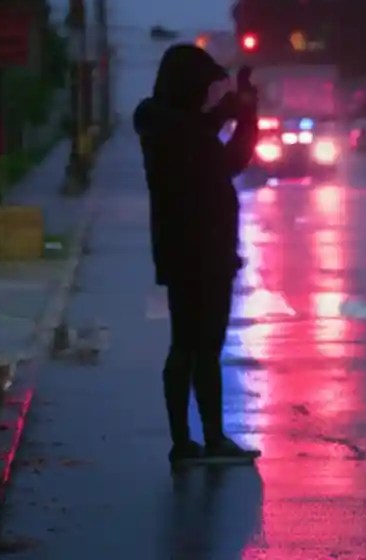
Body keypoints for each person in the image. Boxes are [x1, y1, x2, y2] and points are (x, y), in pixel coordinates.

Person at [133, 43, 262, 466]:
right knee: (202, 347)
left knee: (187, 345)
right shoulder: (178, 131)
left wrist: (232, 111)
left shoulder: (162, 124)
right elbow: (229, 159)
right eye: (203, 87)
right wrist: (244, 115)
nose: (208, 95)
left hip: (186, 251)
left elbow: (203, 132)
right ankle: (208, 438)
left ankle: (186, 441)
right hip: (202, 251)